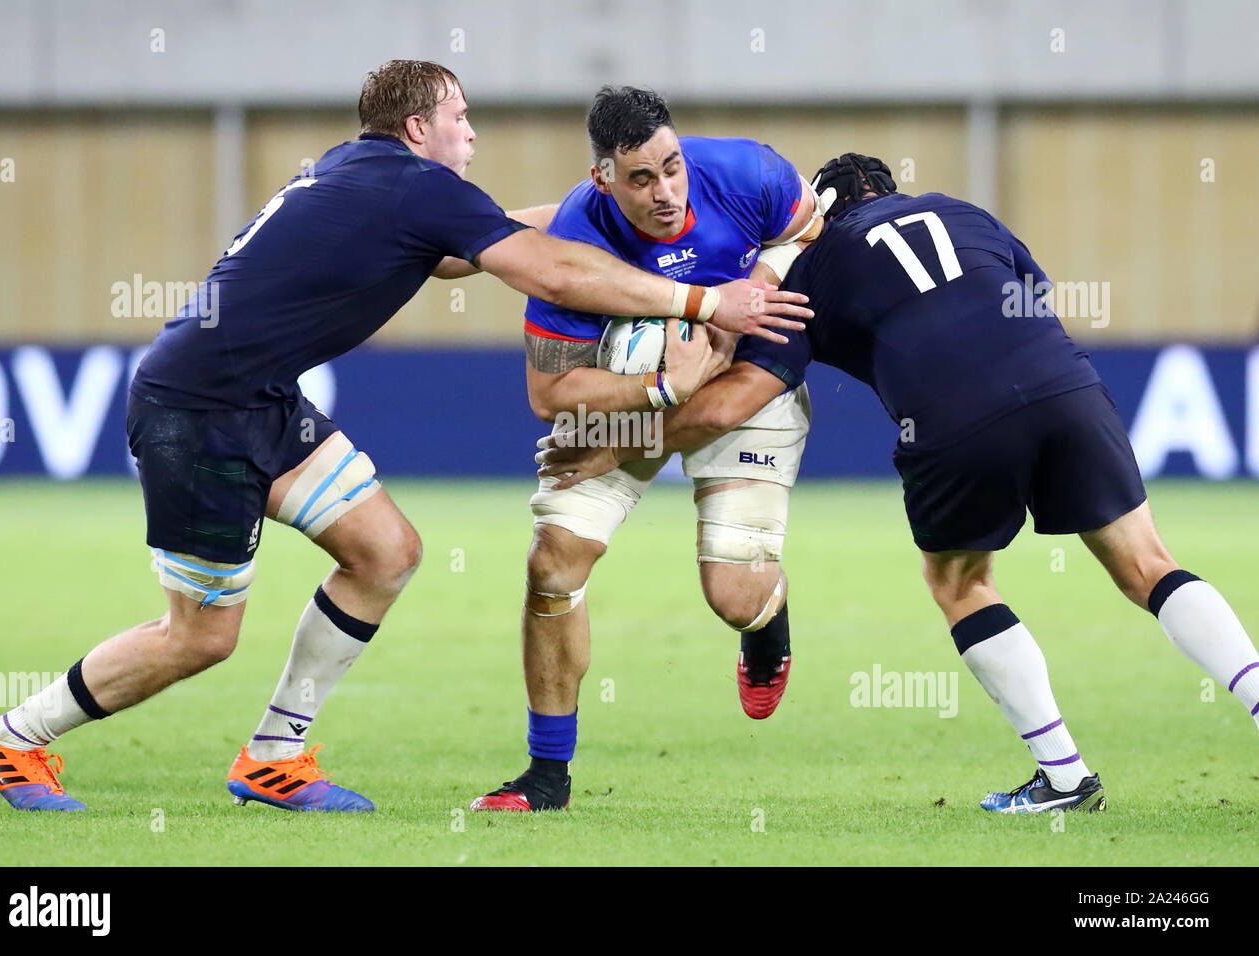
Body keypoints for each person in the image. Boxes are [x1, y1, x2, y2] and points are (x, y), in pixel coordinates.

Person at [0, 60, 810, 814]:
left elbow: (462, 253)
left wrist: (594, 217)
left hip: (256, 394)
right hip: (198, 409)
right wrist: (703, 304)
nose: (472, 134)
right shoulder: (417, 187)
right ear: (418, 129)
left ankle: (275, 758)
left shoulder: (362, 172)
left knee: (385, 550)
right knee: (200, 635)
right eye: (460, 118)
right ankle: (13, 736)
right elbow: (545, 268)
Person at [537, 153, 1259, 813]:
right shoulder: (964, 212)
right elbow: (1029, 296)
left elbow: (729, 405)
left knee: (962, 583)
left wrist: (611, 445)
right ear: (890, 190)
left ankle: (1065, 778)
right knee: (1147, 564)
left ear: (819, 209)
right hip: (1066, 384)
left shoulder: (811, 268)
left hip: (953, 418)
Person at [470, 87, 826, 813]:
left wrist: (747, 297)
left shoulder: (747, 172)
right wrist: (663, 387)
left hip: (747, 372)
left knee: (733, 594)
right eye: (640, 178)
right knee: (552, 562)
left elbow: (809, 227)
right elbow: (549, 393)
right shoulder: (573, 248)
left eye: (672, 167)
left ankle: (767, 621)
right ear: (603, 178)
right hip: (636, 391)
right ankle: (546, 776)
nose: (665, 192)